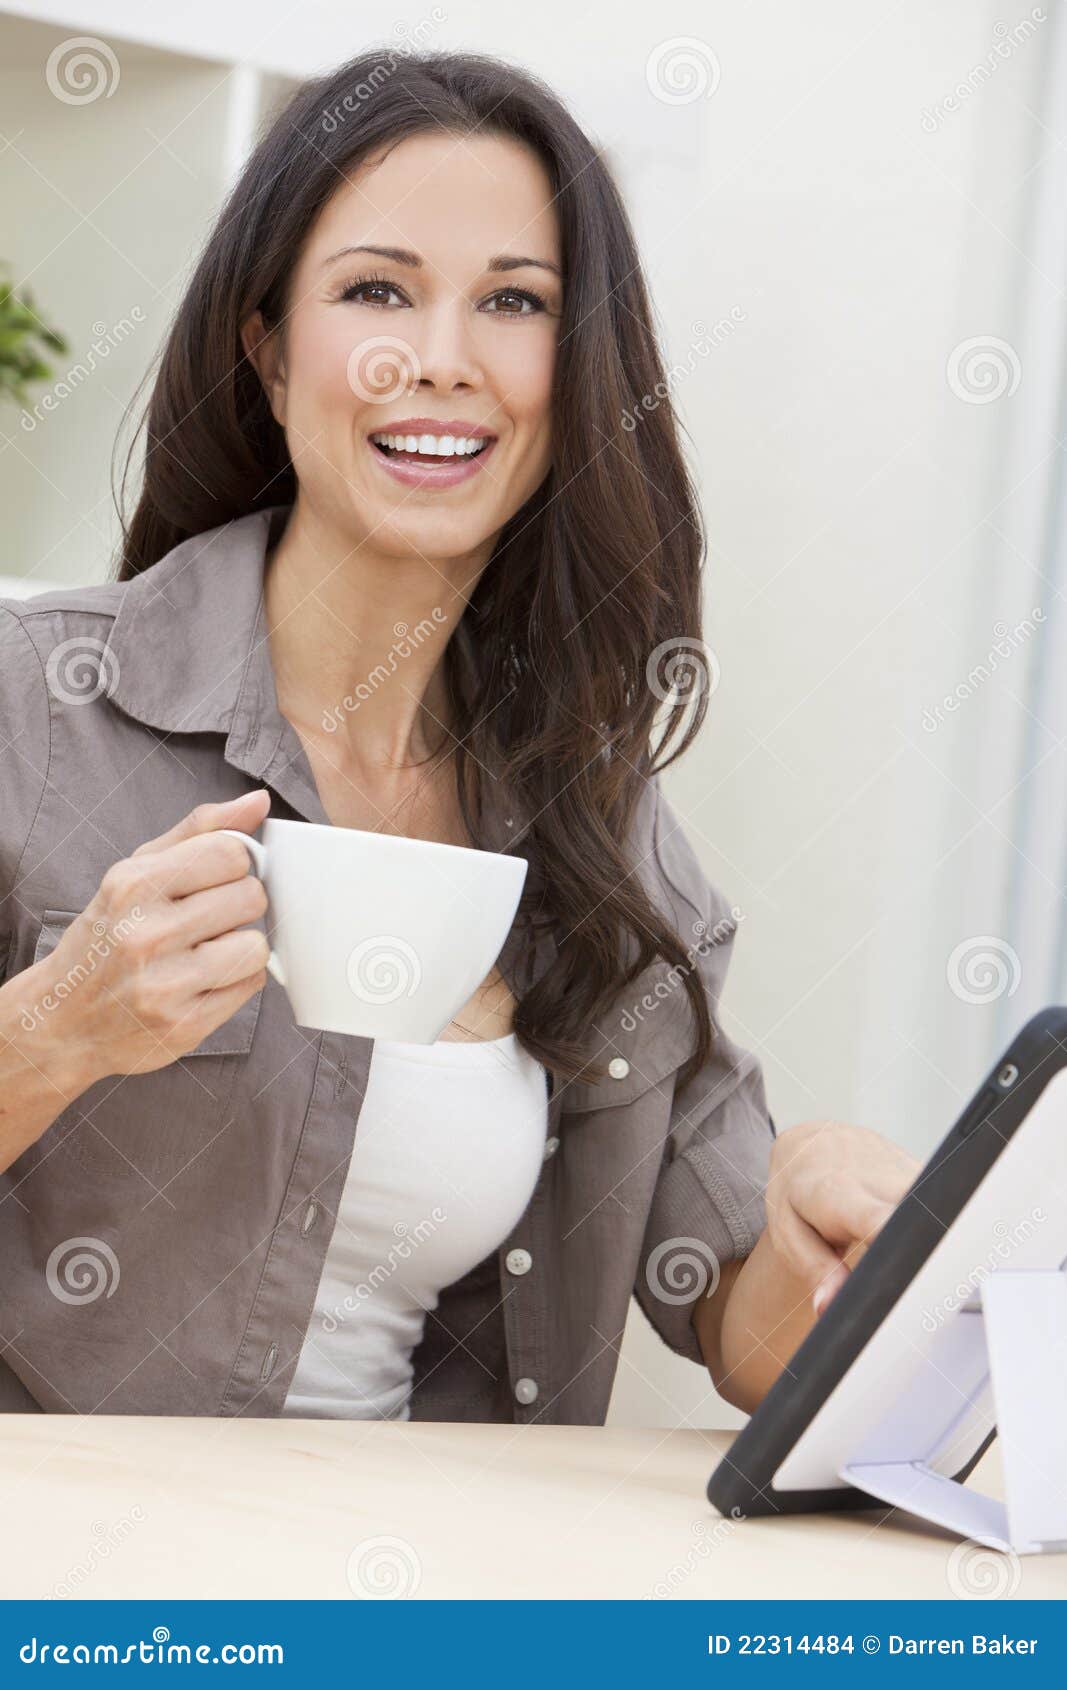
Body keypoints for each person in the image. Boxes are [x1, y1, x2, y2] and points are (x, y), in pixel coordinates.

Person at [0, 48, 917, 1424]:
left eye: (514, 302)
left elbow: (744, 1324)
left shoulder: (593, 814)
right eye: (377, 291)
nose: (440, 360)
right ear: (266, 345)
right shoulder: (38, 706)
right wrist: (56, 1027)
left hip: (423, 1599)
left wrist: (829, 1229)